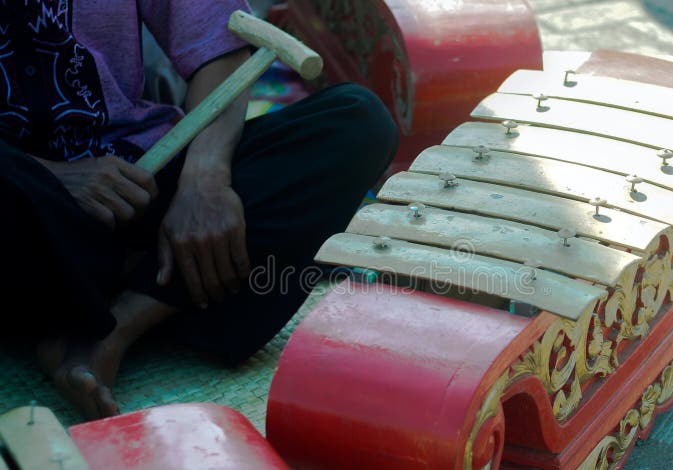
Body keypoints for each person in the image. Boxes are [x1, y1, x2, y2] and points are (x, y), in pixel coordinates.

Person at [0, 1, 398, 419]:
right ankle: (161, 286)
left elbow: (219, 46)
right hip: (23, 209)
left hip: (140, 178)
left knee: (358, 122)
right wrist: (54, 176)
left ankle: (119, 322)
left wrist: (204, 177)